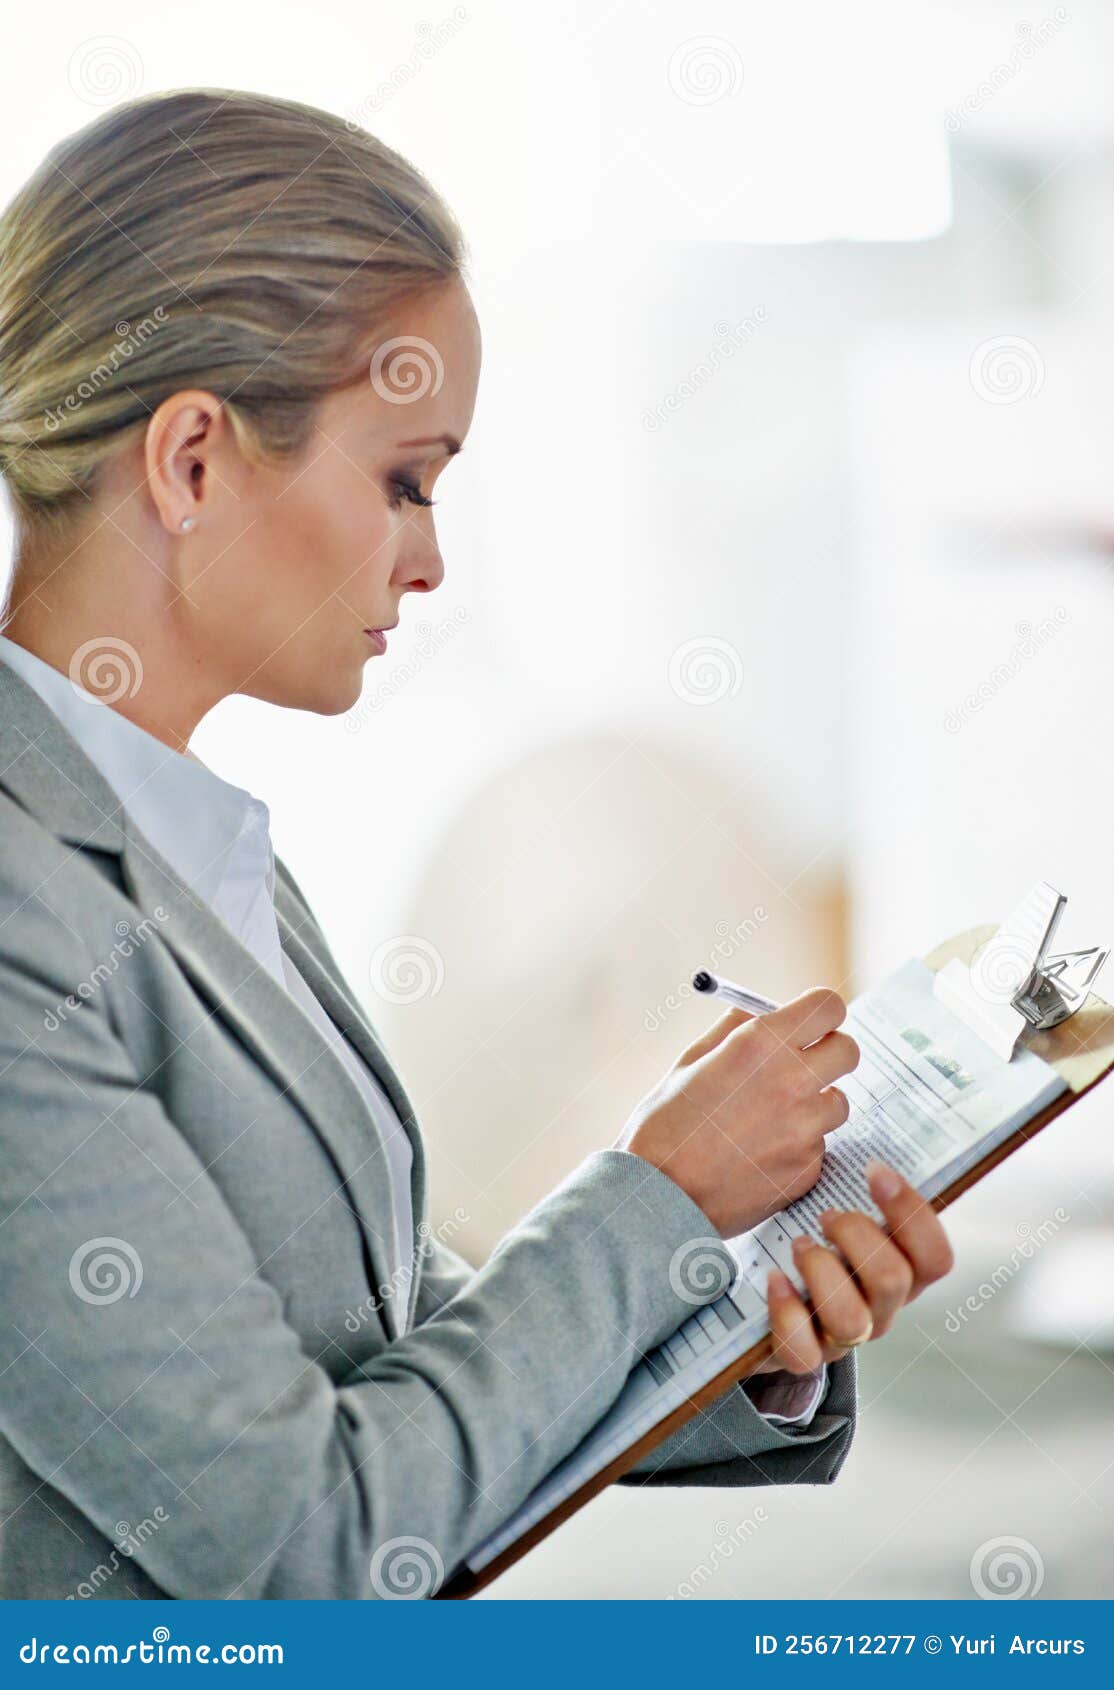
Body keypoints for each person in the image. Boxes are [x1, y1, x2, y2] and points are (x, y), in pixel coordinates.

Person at [0, 88, 954, 1600]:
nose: (430, 558)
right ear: (191, 461)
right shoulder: (23, 912)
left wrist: (735, 1295)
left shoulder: (182, 839)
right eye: (403, 480)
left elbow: (373, 1350)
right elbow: (297, 1543)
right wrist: (648, 1197)